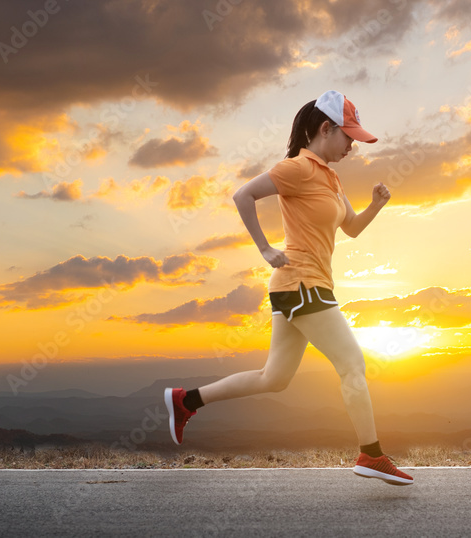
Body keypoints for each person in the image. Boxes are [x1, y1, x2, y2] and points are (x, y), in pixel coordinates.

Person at [163, 90, 413, 486]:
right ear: (325, 129)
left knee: (273, 378)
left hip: (300, 288)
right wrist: (264, 247)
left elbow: (351, 228)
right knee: (352, 365)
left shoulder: (330, 178)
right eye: (348, 136)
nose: (352, 145)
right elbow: (243, 195)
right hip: (302, 285)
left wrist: (376, 205)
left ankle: (186, 400)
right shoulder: (297, 168)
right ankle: (372, 454)